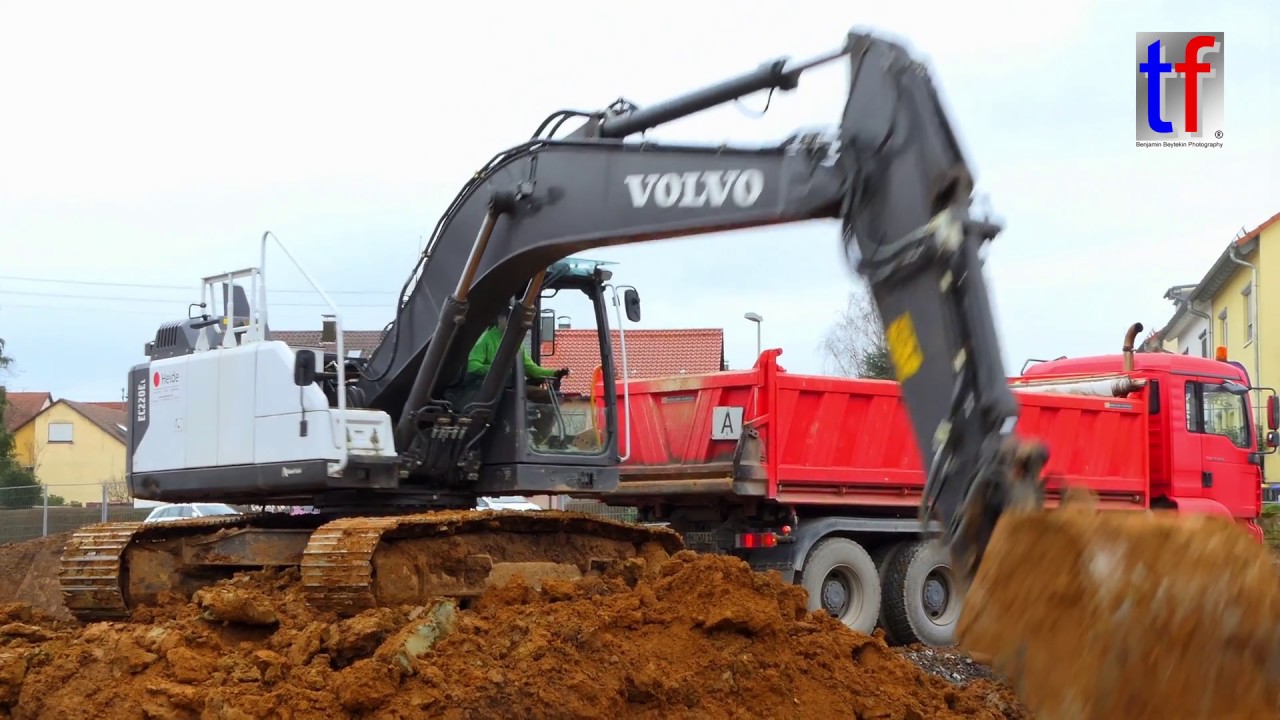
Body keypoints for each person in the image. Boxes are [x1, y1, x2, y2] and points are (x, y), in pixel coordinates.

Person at [465, 309, 570, 441]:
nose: (512, 324)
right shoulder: (486, 339)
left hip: (514, 384)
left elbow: (531, 369)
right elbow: (473, 365)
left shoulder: (516, 342)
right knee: (546, 396)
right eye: (509, 320)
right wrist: (497, 370)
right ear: (500, 319)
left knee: (553, 396)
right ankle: (539, 437)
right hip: (496, 388)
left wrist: (555, 372)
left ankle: (542, 435)